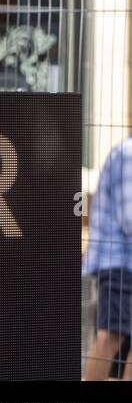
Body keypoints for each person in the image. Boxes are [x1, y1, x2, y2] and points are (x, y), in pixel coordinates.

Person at [83, 137, 132, 379]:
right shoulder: (129, 155)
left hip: (124, 262)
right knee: (111, 336)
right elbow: (130, 217)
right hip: (119, 263)